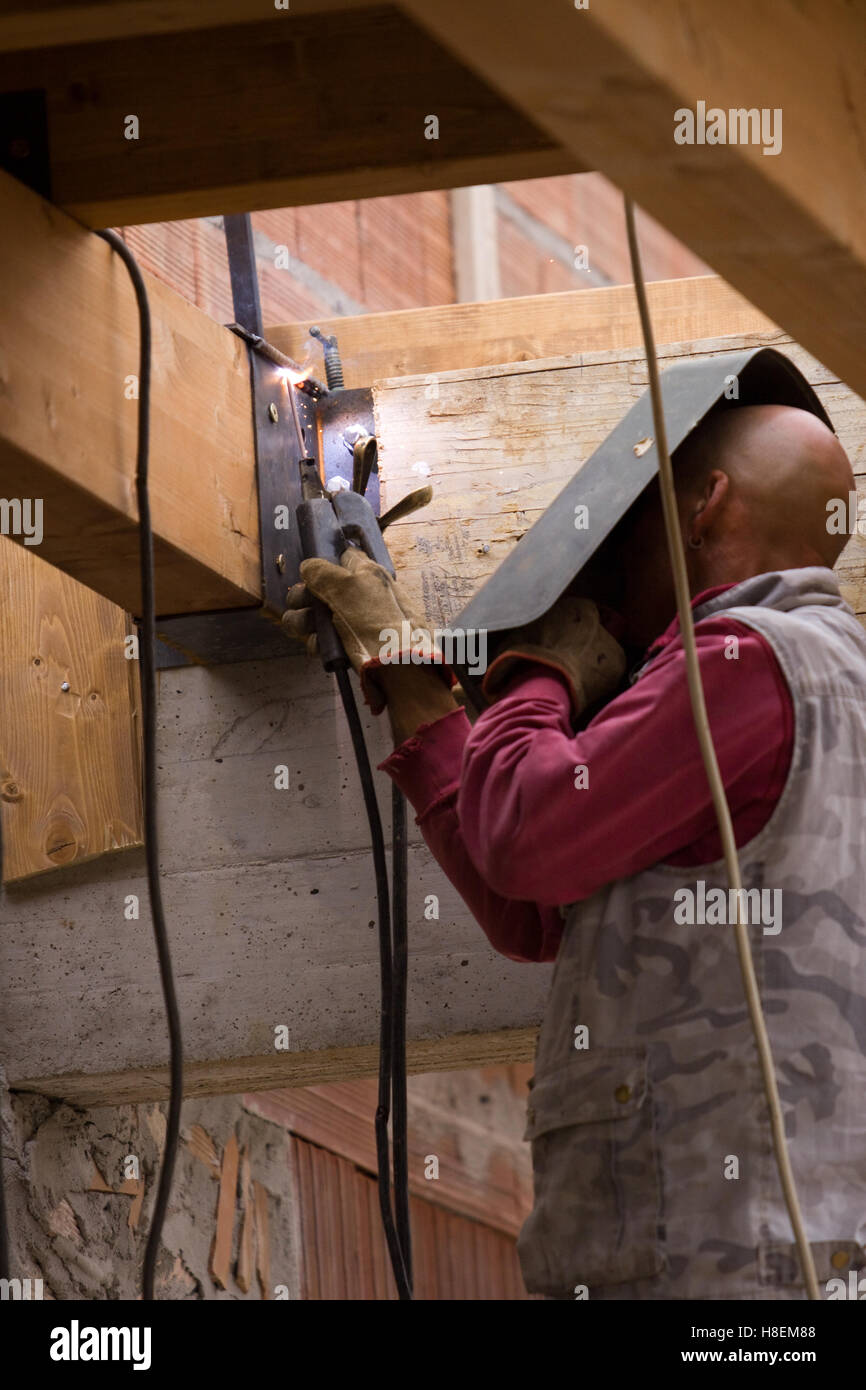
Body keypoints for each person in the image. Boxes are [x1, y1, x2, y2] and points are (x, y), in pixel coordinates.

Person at [283, 402, 866, 1300]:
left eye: (640, 509)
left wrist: (541, 669)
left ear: (704, 505)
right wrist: (407, 672)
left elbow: (529, 836)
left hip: (714, 1262)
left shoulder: (748, 659)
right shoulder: (824, 679)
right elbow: (535, 906)